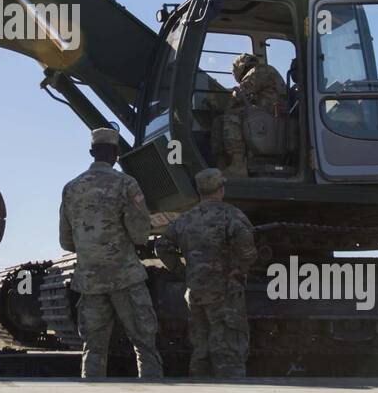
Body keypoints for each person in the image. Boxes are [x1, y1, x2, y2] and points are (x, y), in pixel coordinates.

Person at [59, 127, 164, 379]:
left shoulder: (71, 188)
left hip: (89, 280)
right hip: (125, 278)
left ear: (91, 152)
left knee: (93, 349)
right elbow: (140, 233)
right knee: (145, 345)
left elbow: (66, 241)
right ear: (116, 154)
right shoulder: (126, 184)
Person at [155, 168, 257, 378]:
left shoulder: (186, 219)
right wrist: (239, 270)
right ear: (221, 189)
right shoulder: (232, 215)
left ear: (199, 191)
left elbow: (162, 246)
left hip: (196, 292)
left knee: (200, 348)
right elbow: (248, 249)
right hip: (225, 292)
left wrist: (182, 270)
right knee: (228, 347)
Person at [218, 52, 288, 175]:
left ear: (240, 68)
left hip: (268, 118)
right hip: (270, 118)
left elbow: (239, 95)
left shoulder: (259, 70)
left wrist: (226, 106)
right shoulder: (266, 70)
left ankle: (238, 163)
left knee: (230, 117)